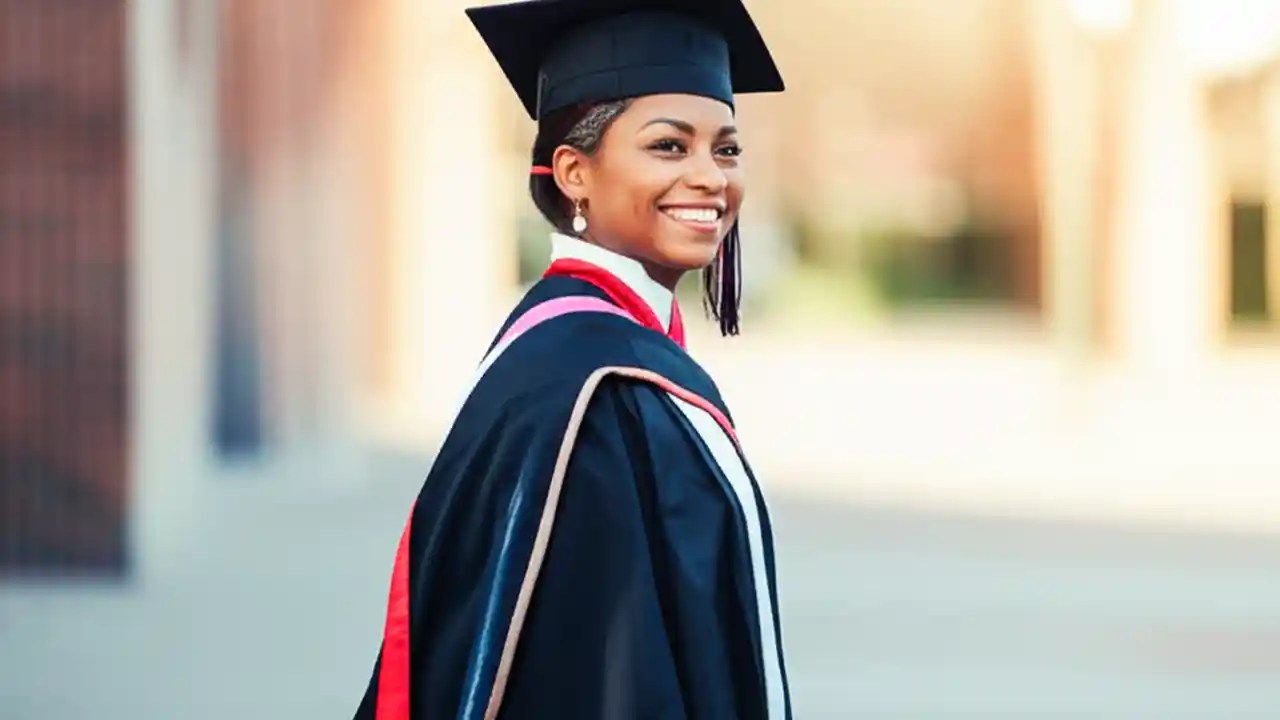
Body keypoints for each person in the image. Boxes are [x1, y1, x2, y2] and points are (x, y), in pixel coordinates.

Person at [355, 1, 790, 718]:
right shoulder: (601, 390)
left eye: (727, 149)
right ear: (573, 172)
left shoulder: (558, 348)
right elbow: (610, 680)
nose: (711, 177)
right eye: (669, 146)